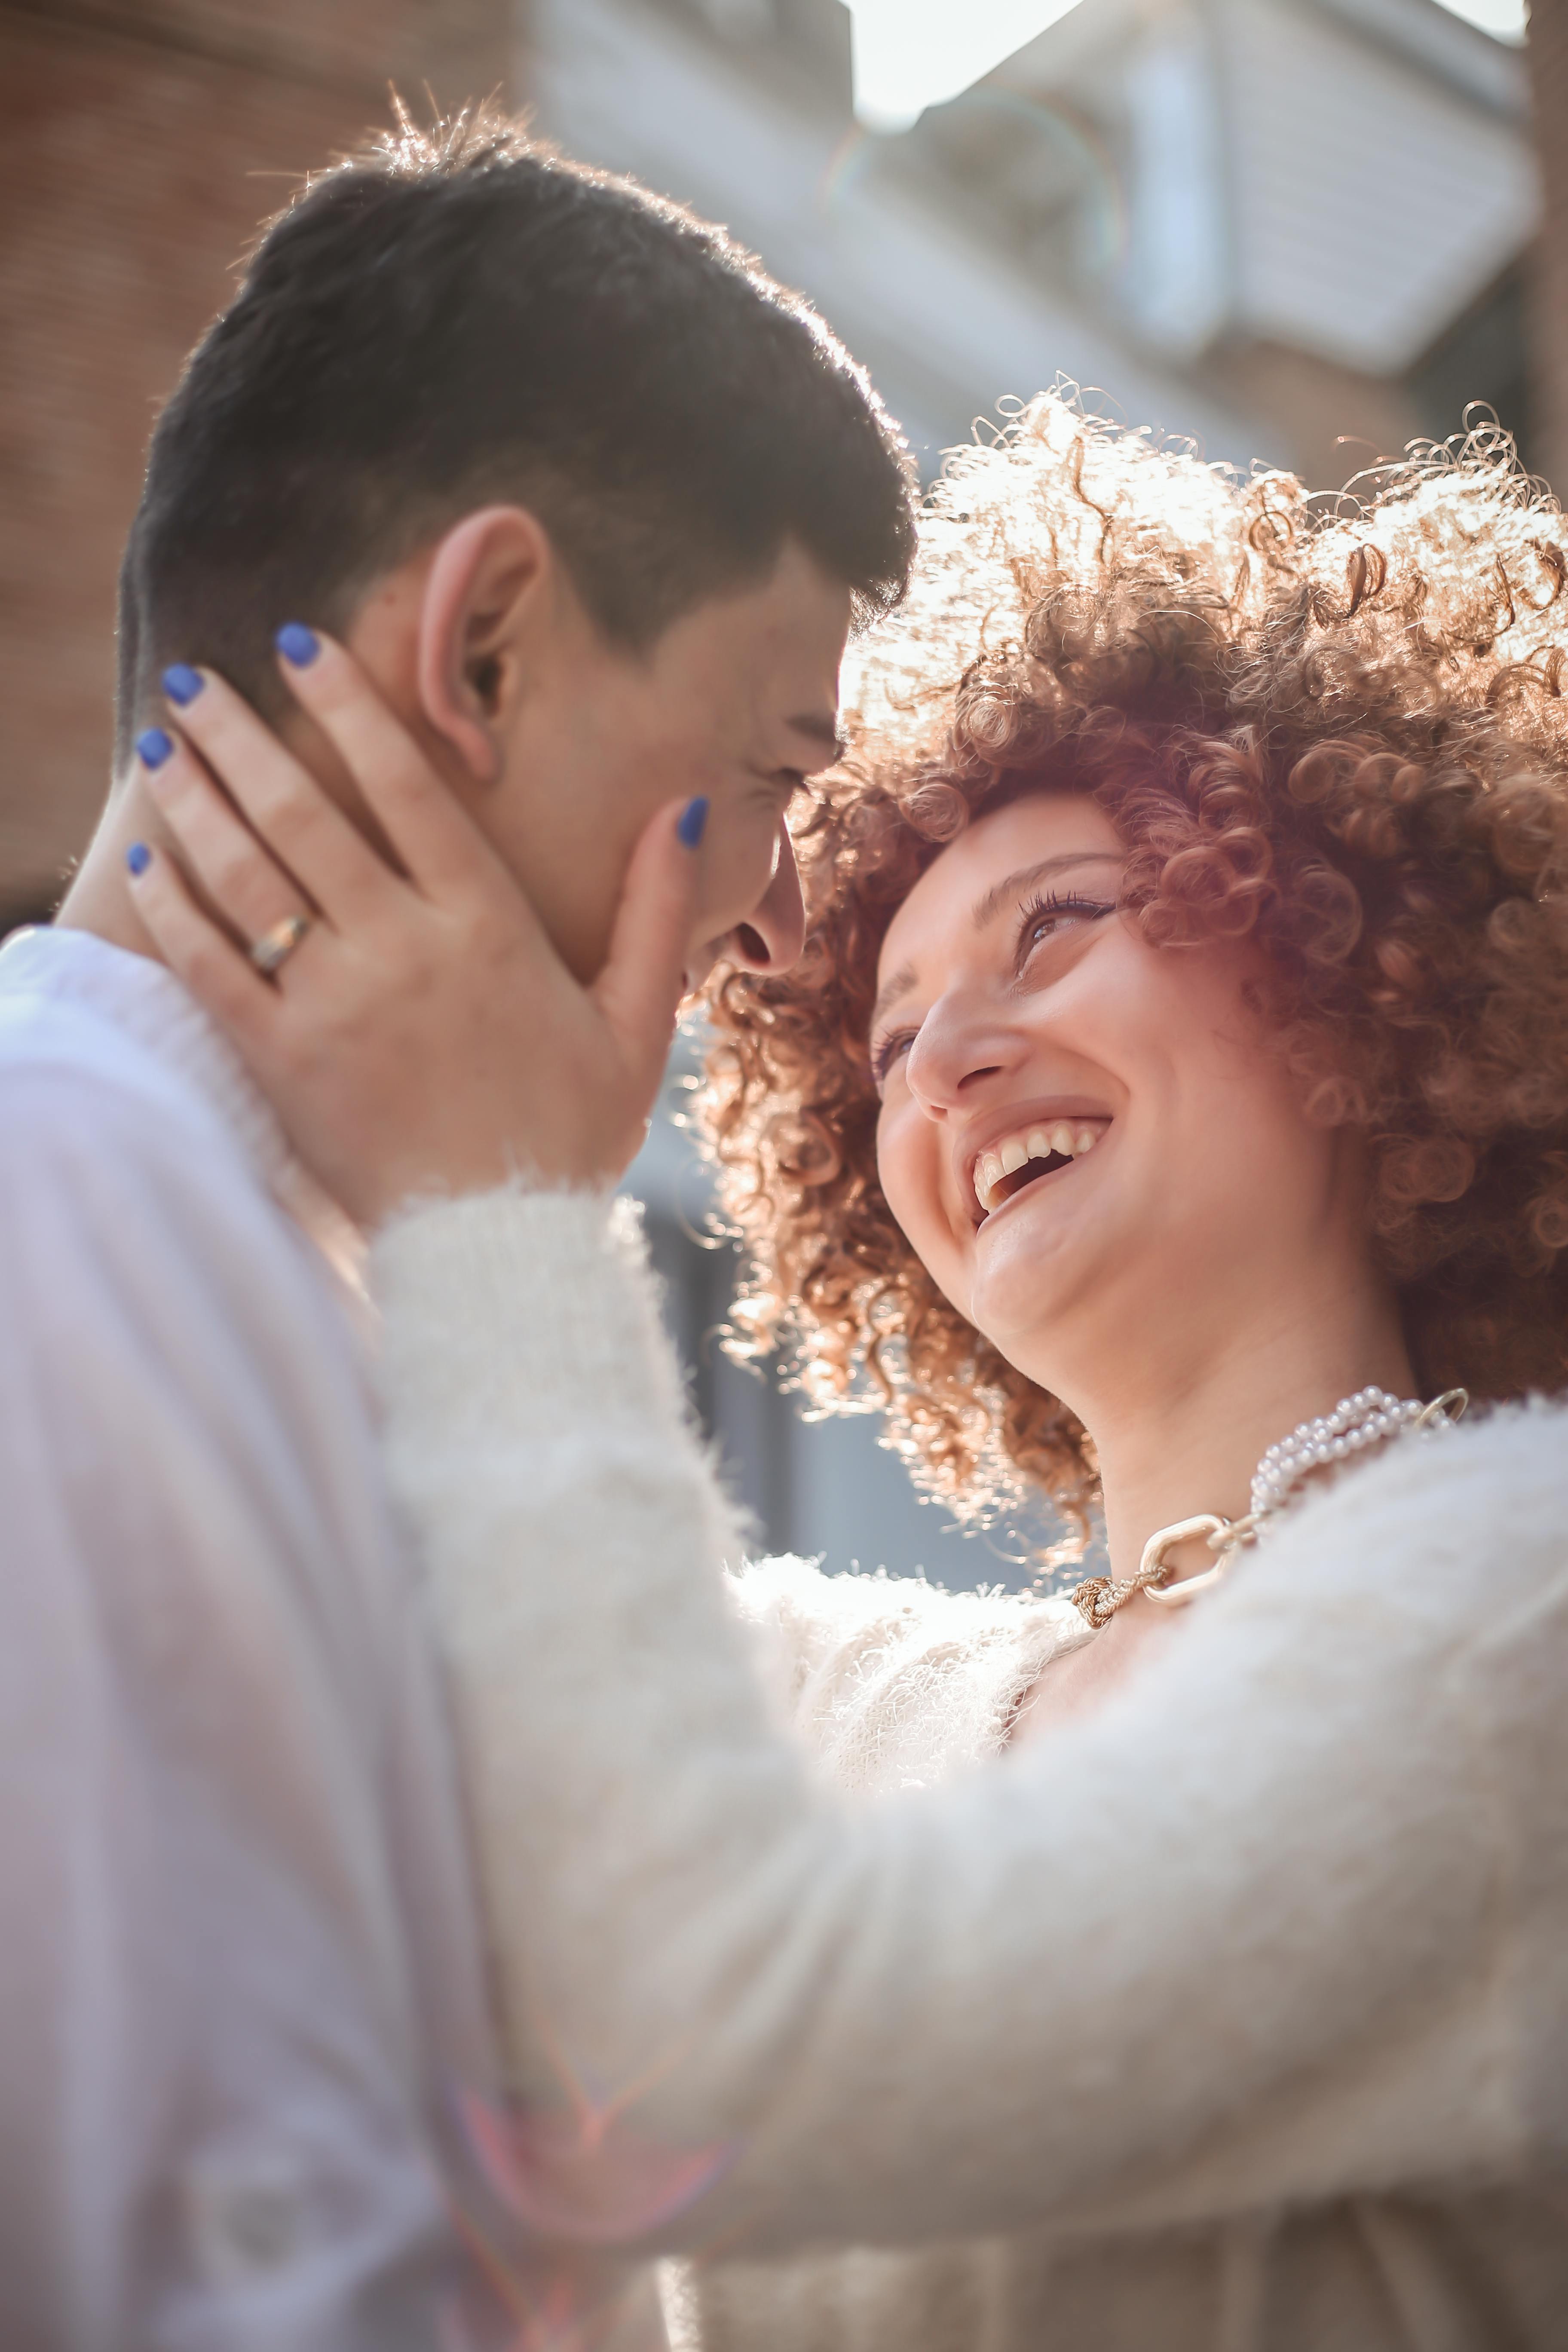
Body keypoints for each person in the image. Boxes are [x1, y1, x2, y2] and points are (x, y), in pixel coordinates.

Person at [127, 394, 1568, 2348]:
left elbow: (757, 2041)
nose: (952, 1061)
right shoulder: (857, 1702)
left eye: (1053, 929)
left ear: (1342, 956)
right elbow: (337, 1550)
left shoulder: (1520, 1605)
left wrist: (504, 1189)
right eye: (886, 1051)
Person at [0, 106, 914, 2345]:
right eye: (778, 769)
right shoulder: (67, 1234)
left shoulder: (308, 1270)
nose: (784, 918)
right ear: (488, 645)